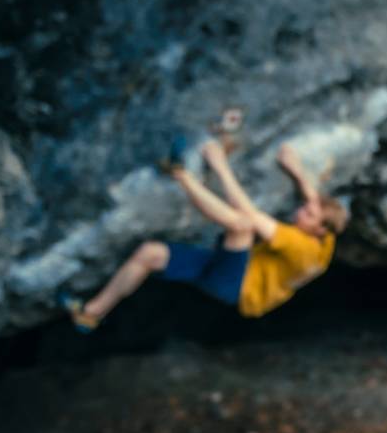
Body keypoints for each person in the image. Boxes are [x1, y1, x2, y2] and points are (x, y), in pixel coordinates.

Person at [61, 139, 347, 330]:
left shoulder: (300, 246)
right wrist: (297, 170)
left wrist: (220, 164)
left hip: (236, 286)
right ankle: (91, 314)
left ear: (318, 229)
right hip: (227, 268)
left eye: (308, 215)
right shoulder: (325, 240)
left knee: (242, 227)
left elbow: (248, 214)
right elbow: (316, 203)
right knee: (150, 253)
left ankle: (180, 174)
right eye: (305, 208)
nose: (300, 211)